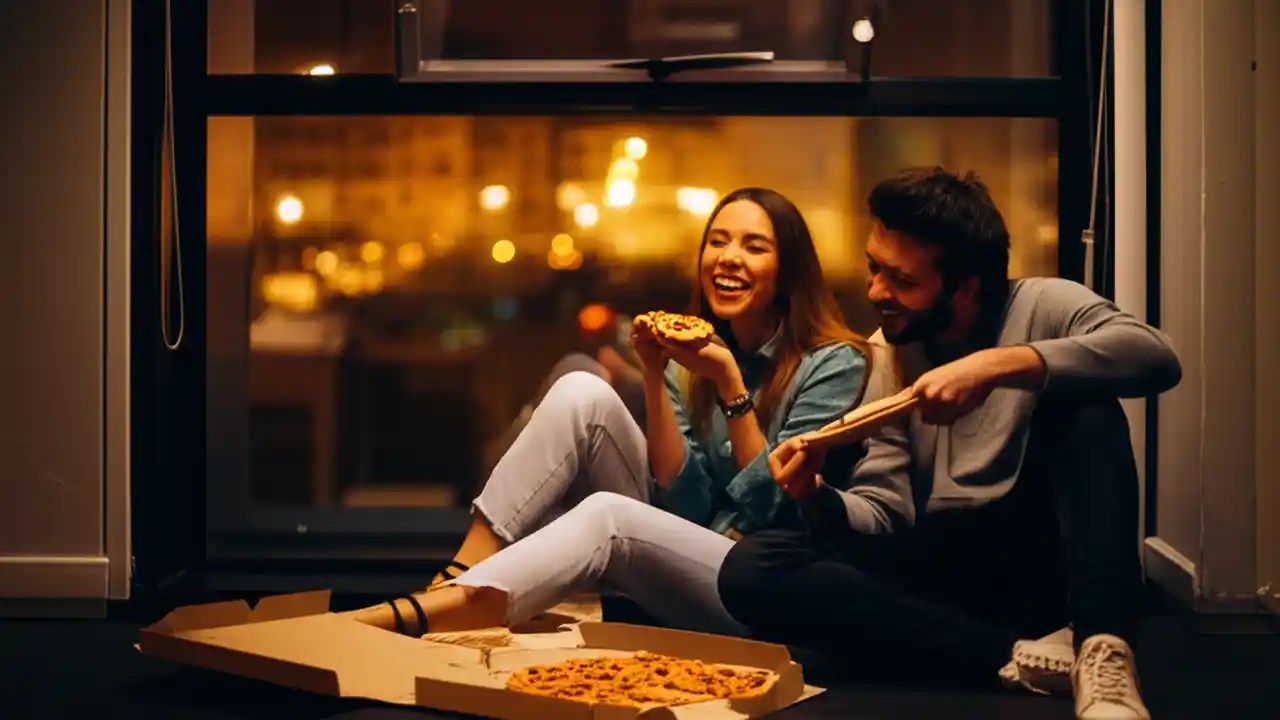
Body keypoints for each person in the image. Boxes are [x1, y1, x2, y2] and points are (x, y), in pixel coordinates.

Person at [714, 167, 1181, 720]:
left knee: (1088, 408)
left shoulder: (1046, 306)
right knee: (751, 566)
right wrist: (816, 495)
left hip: (1039, 554)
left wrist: (1000, 366)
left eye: (902, 281)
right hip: (949, 562)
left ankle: (1103, 649)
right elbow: (887, 510)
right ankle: (1012, 659)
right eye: (873, 270)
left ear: (966, 287)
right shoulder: (888, 349)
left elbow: (1155, 356)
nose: (876, 292)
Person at [353, 187, 894, 636]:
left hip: (755, 583)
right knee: (579, 388)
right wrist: (657, 373)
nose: (729, 257)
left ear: (789, 271)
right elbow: (682, 503)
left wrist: (730, 384)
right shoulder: (692, 355)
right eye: (718, 241)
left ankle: (444, 611)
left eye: (754, 247)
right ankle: (460, 573)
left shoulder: (834, 361)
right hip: (680, 554)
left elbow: (779, 507)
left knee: (607, 515)